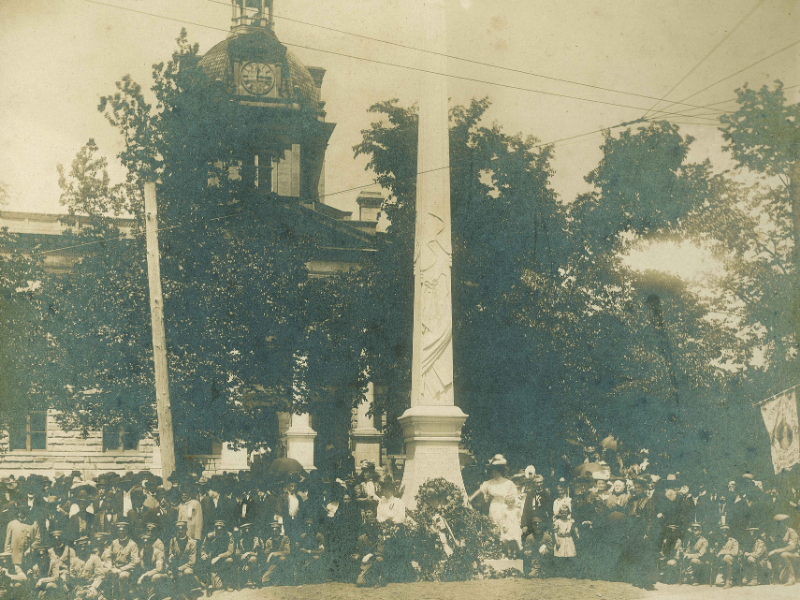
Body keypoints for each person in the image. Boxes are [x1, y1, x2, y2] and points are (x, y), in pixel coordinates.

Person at [468, 455, 517, 527]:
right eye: (493, 471)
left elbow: (514, 496)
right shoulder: (489, 482)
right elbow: (481, 489)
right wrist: (471, 497)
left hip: (504, 505)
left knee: (505, 525)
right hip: (494, 506)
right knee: (494, 524)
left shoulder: (508, 483)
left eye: (496, 471)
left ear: (500, 471)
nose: (494, 473)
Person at [102, 521, 139, 600]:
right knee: (102, 571)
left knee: (123, 576)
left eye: (123, 531)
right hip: (114, 568)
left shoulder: (132, 544)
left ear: (127, 531)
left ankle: (124, 597)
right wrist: (110, 566)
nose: (121, 533)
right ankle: (104, 596)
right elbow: (108, 556)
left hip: (127, 570)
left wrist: (121, 569)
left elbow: (134, 562)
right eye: (119, 531)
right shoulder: (114, 542)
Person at [200, 519, 235, 593]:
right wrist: (203, 554)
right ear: (214, 528)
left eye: (221, 528)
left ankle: (228, 583)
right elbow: (203, 549)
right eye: (217, 528)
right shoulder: (209, 536)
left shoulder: (229, 535)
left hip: (224, 558)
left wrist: (219, 556)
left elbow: (230, 551)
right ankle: (207, 581)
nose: (219, 531)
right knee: (218, 587)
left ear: (224, 529)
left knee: (229, 560)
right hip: (213, 561)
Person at [168, 521, 200, 600]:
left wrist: (179, 568)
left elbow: (192, 562)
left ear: (186, 530)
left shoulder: (192, 542)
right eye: (178, 530)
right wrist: (171, 557)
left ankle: (189, 591)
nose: (180, 531)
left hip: (187, 566)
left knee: (187, 572)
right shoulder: (172, 541)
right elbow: (170, 555)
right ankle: (177, 593)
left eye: (182, 529)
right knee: (170, 574)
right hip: (176, 566)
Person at [354, 509, 384, 587]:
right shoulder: (362, 538)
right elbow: (359, 551)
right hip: (366, 564)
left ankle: (378, 578)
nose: (371, 529)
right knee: (360, 582)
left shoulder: (379, 538)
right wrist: (357, 555)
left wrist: (370, 555)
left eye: (373, 527)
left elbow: (380, 552)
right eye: (369, 527)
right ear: (366, 528)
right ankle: (370, 579)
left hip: (375, 562)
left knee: (379, 559)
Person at [137, 532, 169, 600]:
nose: (146, 546)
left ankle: (153, 596)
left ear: (151, 544)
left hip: (162, 574)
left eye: (148, 543)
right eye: (144, 544)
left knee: (155, 577)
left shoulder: (157, 552)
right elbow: (142, 566)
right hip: (148, 573)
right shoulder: (142, 552)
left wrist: (145, 575)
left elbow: (159, 569)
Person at [768, 514, 798, 585]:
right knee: (773, 555)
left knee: (784, 555)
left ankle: (791, 578)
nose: (777, 525)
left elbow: (791, 547)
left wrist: (776, 551)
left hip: (795, 555)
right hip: (785, 555)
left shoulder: (791, 532)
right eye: (777, 523)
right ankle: (776, 578)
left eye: (779, 523)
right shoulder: (778, 533)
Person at [261, 518, 291, 586]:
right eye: (273, 530)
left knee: (282, 559)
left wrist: (273, 553)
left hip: (284, 562)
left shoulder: (285, 538)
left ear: (279, 530)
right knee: (264, 581)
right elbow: (266, 554)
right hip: (273, 564)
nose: (274, 532)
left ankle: (280, 580)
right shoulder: (269, 541)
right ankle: (275, 580)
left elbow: (287, 551)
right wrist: (267, 552)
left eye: (276, 530)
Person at [552, 505, 578, 577]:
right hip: (561, 539)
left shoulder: (570, 521)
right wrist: (557, 541)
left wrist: (576, 533)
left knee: (569, 555)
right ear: (560, 513)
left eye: (566, 512)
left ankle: (568, 572)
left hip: (568, 539)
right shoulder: (557, 522)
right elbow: (555, 532)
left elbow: (574, 528)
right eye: (562, 513)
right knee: (561, 556)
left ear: (568, 513)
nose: (564, 514)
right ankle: (560, 572)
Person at [235, 522, 262, 588]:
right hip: (244, 561)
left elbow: (258, 554)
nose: (247, 532)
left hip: (255, 562)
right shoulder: (240, 541)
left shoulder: (257, 540)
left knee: (253, 559)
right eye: (245, 530)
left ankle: (251, 580)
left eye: (249, 530)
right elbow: (238, 553)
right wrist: (245, 562)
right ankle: (245, 581)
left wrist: (248, 553)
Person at [682, 522, 709, 586]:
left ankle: (695, 579)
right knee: (686, 558)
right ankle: (688, 576)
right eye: (692, 530)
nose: (693, 532)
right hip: (692, 561)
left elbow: (700, 555)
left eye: (695, 530)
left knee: (694, 560)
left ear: (700, 531)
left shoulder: (704, 541)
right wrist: (684, 553)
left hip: (703, 561)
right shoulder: (691, 540)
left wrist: (688, 555)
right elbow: (687, 552)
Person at [714, 523, 739, 588]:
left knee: (727, 557)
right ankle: (722, 575)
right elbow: (716, 554)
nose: (724, 533)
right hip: (722, 565)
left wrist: (723, 552)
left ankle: (729, 581)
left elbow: (735, 552)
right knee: (718, 583)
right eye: (722, 531)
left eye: (726, 531)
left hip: (732, 563)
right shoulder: (718, 542)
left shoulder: (734, 541)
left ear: (728, 532)